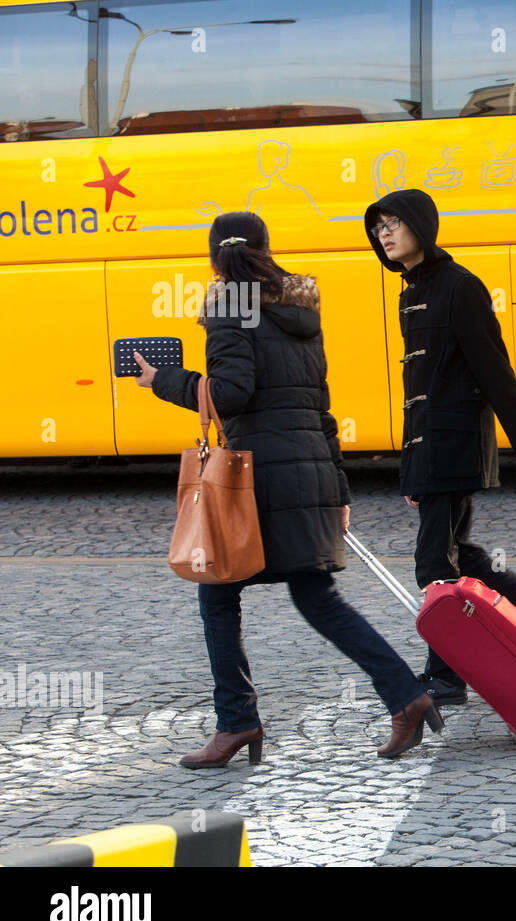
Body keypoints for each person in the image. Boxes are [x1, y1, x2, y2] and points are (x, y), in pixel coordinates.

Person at [135, 211, 442, 766]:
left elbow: (229, 393)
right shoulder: (301, 308)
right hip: (310, 471)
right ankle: (407, 695)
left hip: (260, 480)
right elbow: (321, 404)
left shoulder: (229, 307)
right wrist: (340, 488)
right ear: (265, 249)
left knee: (219, 593)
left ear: (216, 258)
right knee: (316, 598)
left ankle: (237, 724)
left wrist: (164, 382)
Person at [362, 189, 516, 704]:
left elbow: (496, 374)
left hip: (455, 447)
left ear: (422, 225)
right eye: (379, 227)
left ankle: (446, 677)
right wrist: (410, 470)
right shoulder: (409, 290)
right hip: (430, 453)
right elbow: (418, 390)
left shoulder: (461, 287)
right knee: (460, 559)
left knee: (434, 565)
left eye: (394, 223)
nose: (386, 233)